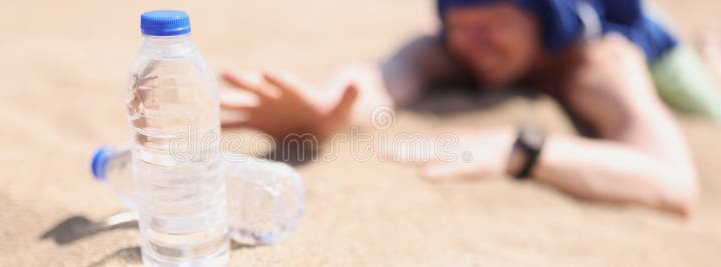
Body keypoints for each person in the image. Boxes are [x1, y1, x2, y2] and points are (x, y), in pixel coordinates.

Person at [219, 0, 721, 216]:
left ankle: (709, 55)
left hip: (656, 45)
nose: (469, 44)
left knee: (711, 104)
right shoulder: (454, 47)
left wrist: (518, 149)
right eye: (458, 26)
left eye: (489, 24)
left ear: (543, 17)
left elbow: (673, 183)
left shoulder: (600, 65)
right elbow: (383, 78)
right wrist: (328, 113)